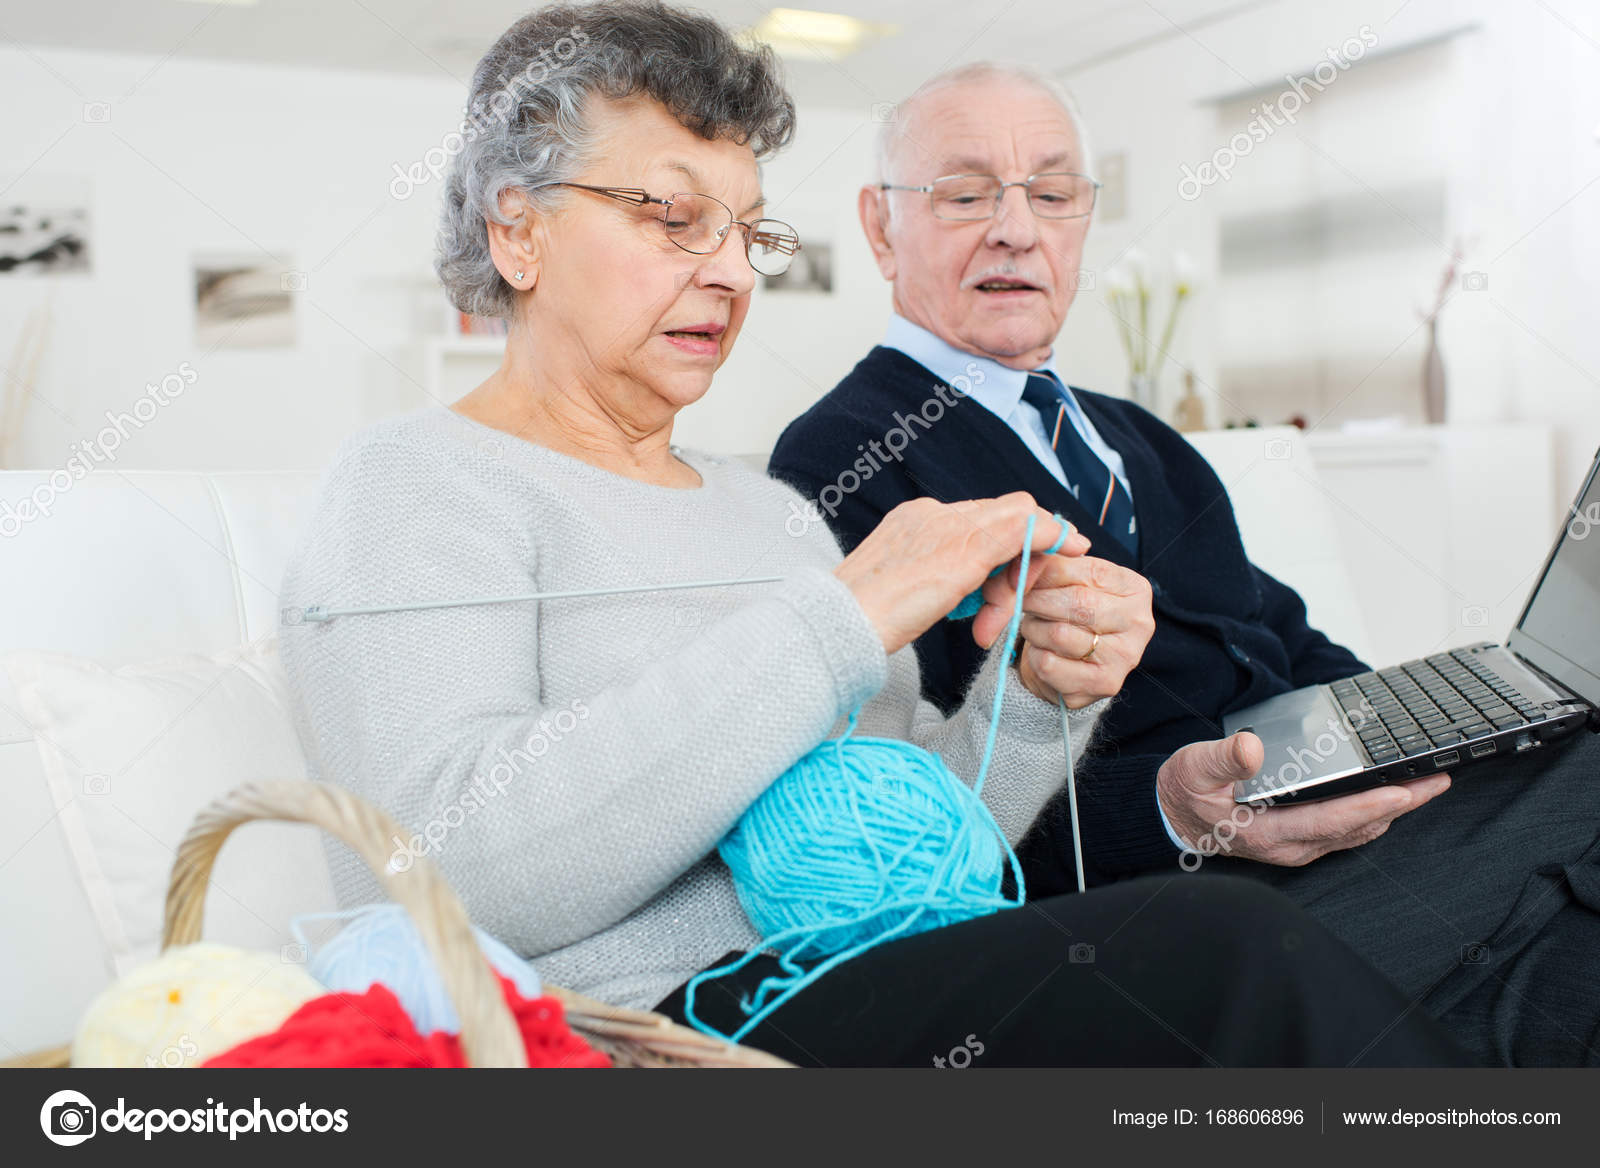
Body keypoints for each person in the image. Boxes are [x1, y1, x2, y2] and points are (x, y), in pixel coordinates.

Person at [278, 1, 1464, 1067]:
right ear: (517, 232)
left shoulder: (768, 510)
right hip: (678, 1026)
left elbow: (923, 842)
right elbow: (440, 868)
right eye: (676, 219)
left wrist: (1038, 696)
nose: (732, 272)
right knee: (1228, 946)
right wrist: (834, 622)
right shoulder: (419, 483)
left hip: (880, 974)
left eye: (748, 231)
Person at [767, 60, 1600, 1066]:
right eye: (964, 192)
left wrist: (1408, 723)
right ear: (877, 224)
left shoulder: (1138, 435)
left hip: (1315, 826)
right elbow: (915, 826)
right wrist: (1172, 807)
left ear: (1083, 219)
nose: (1015, 227)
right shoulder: (841, 460)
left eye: (1052, 190)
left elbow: (1285, 635)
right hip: (1174, 904)